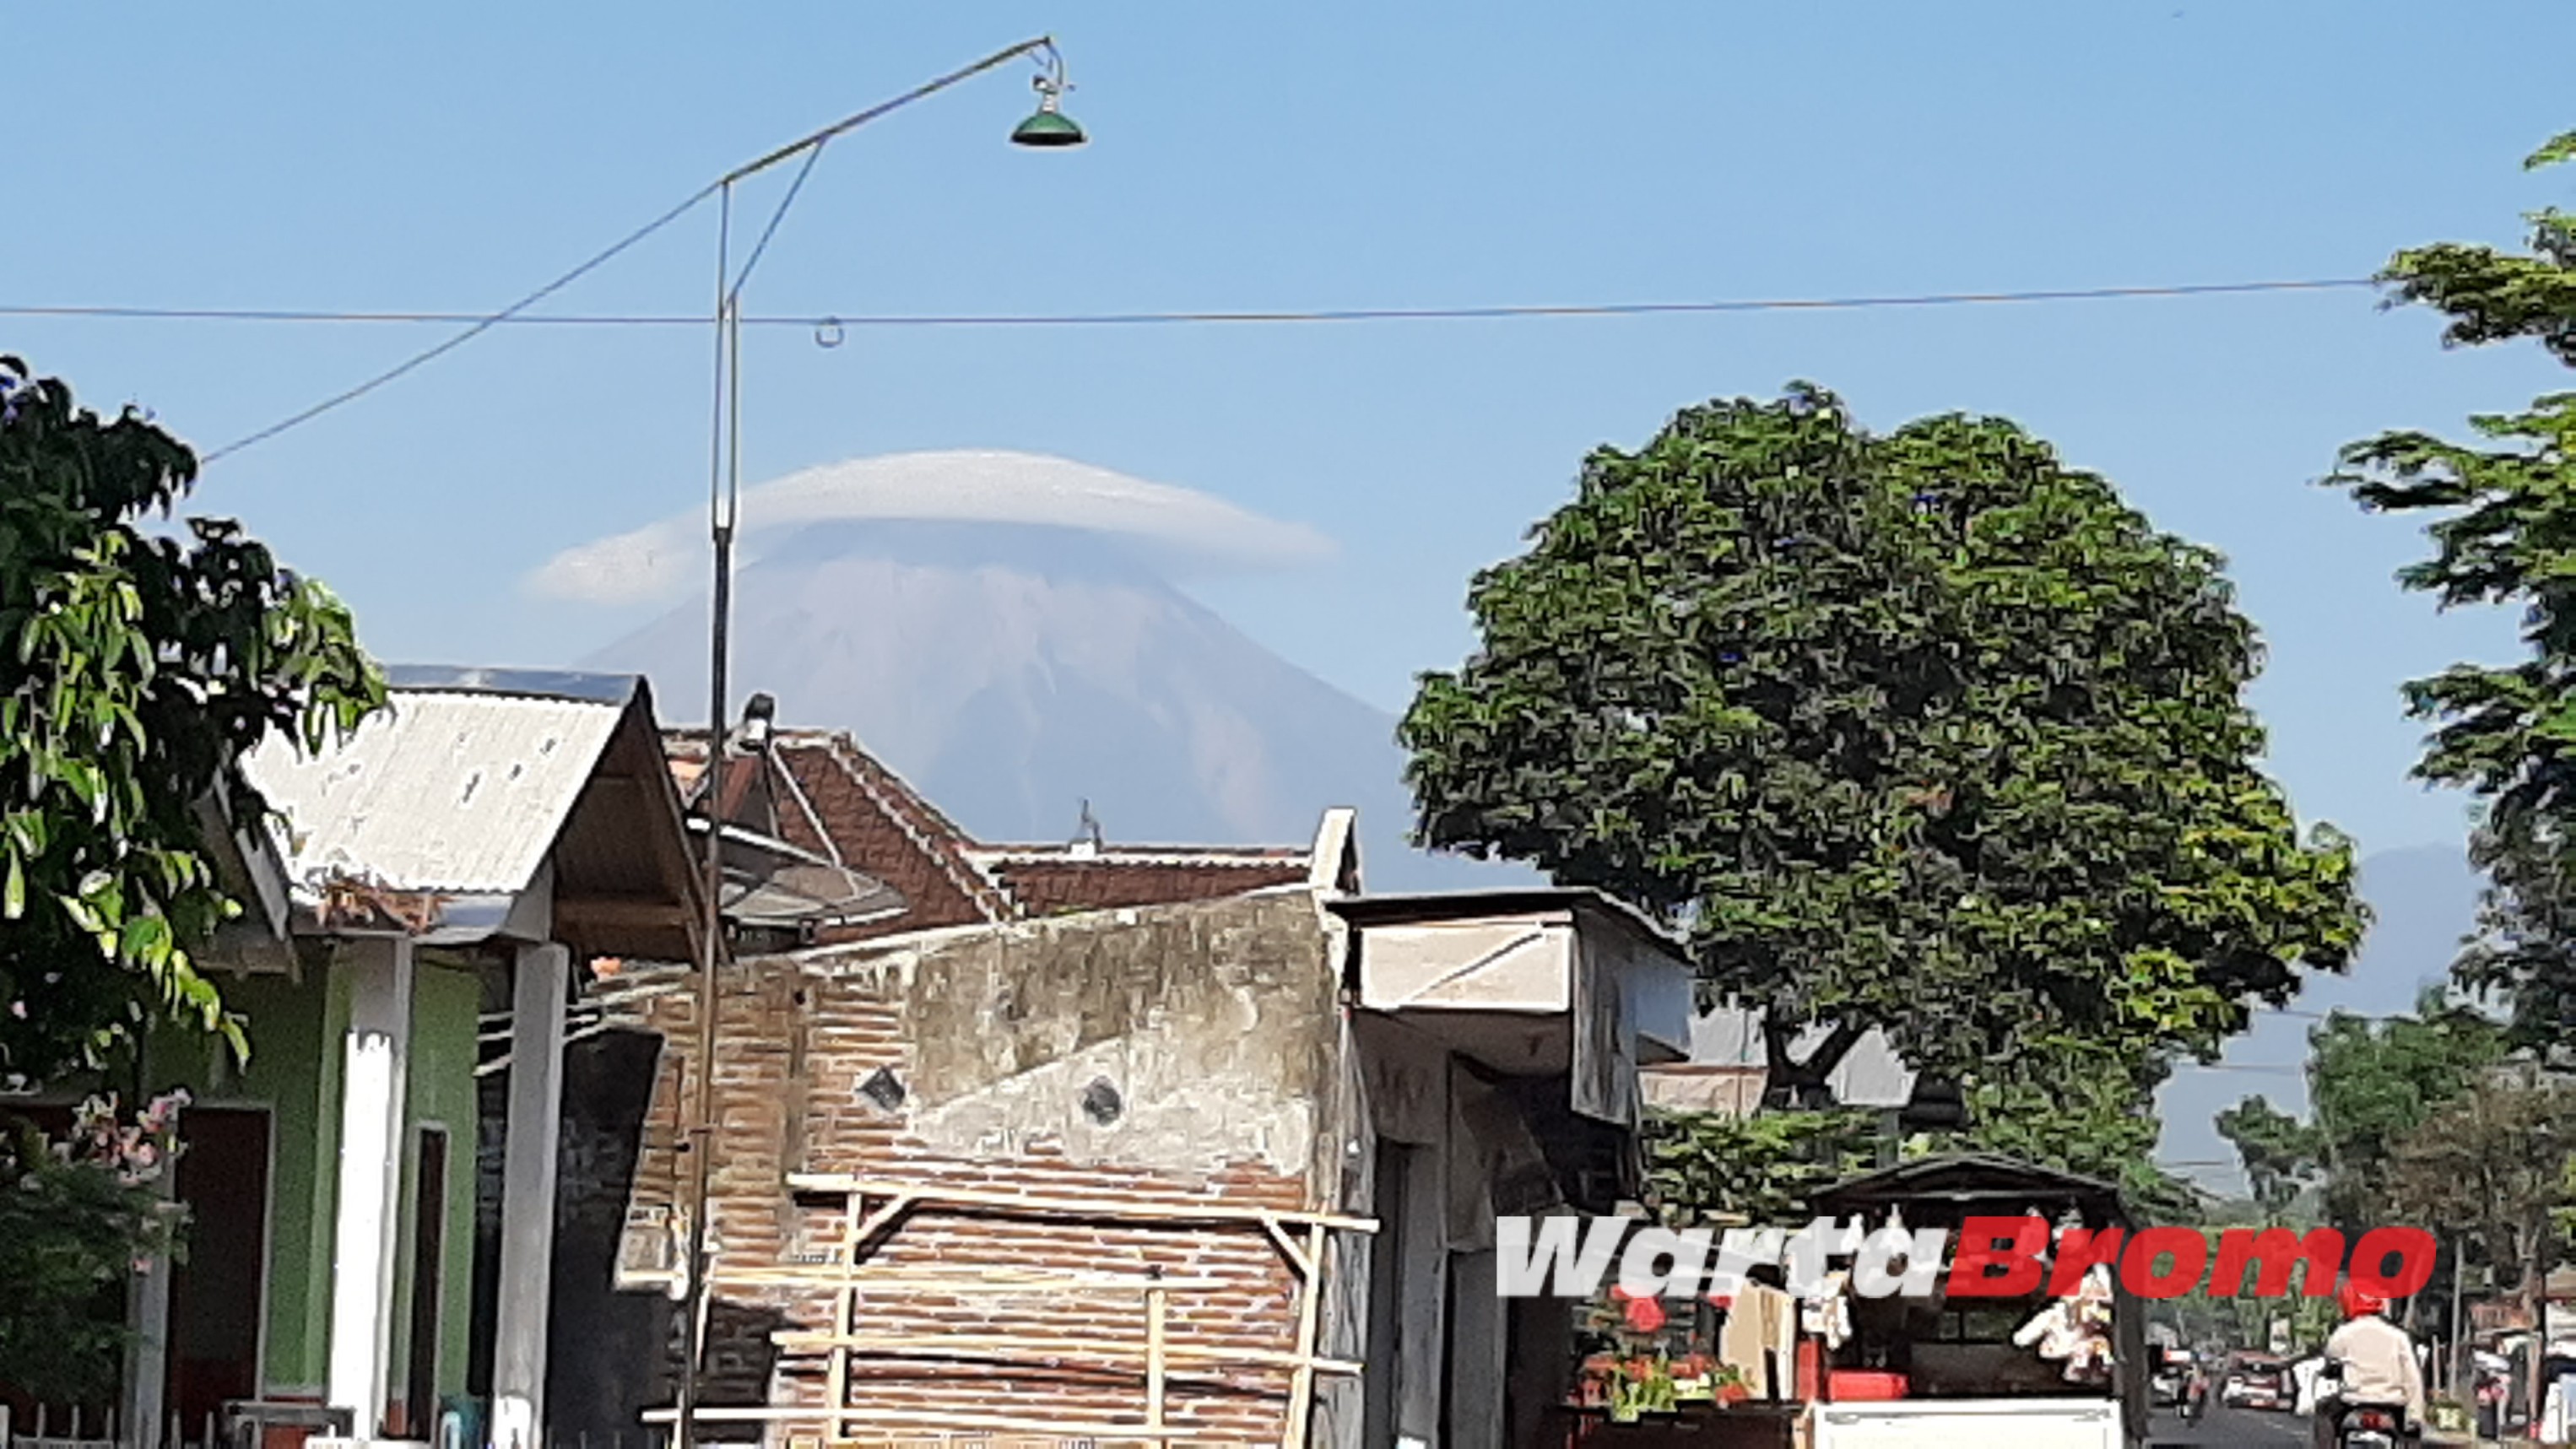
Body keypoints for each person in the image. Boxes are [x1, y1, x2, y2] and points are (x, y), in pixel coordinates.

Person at [2314, 1284, 2425, 1447]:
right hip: (2392, 1403)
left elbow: (2331, 1355)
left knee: (2324, 1411)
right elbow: (2412, 1377)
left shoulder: (2344, 1333)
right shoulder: (2398, 1336)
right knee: (2411, 1438)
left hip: (2353, 1401)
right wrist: (2415, 1415)